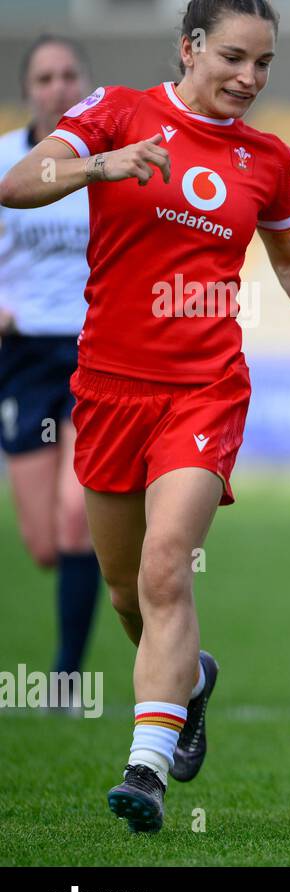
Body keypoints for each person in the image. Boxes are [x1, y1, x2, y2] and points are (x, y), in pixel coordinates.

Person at [0, 0, 290, 832]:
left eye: (265, 64)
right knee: (128, 593)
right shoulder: (118, 113)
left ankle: (146, 769)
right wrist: (103, 165)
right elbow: (17, 184)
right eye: (234, 57)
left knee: (168, 567)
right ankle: (191, 681)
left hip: (204, 387)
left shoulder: (269, 159)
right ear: (189, 47)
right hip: (108, 388)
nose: (250, 78)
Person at [0, 36, 100, 695]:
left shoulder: (104, 161)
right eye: (45, 76)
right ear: (28, 87)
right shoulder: (8, 161)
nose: (58, 86)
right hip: (24, 354)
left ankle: (65, 679)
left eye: (69, 75)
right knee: (42, 542)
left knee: (75, 517)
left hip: (92, 350)